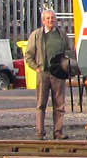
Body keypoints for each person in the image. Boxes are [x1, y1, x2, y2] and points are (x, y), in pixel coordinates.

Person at [24, 8, 70, 139]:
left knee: (59, 105)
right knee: (41, 104)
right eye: (48, 18)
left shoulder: (62, 35)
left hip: (58, 74)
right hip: (43, 73)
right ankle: (39, 132)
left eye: (52, 18)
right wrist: (36, 68)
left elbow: (69, 51)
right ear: (43, 20)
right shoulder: (37, 35)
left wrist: (66, 67)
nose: (51, 20)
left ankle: (58, 132)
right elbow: (28, 55)